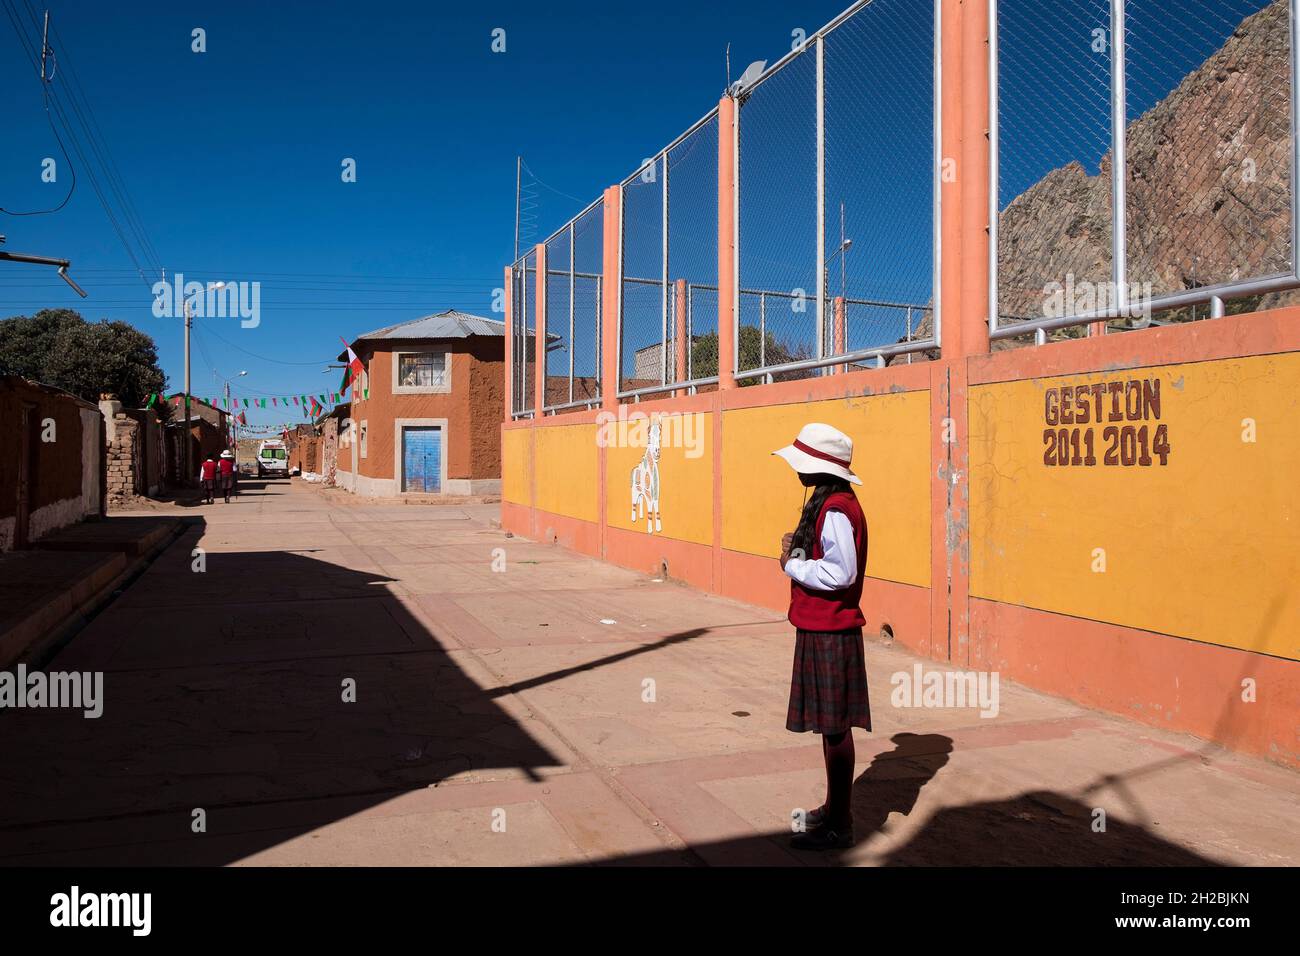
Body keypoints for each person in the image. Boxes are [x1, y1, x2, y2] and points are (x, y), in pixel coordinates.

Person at [774, 422, 870, 851]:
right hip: (820, 625)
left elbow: (839, 572)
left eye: (802, 465)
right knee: (830, 727)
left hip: (831, 629)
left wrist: (791, 565)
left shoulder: (835, 509)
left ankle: (840, 825)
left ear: (817, 470)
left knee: (834, 729)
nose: (797, 472)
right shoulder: (827, 503)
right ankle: (835, 808)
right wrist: (798, 545)